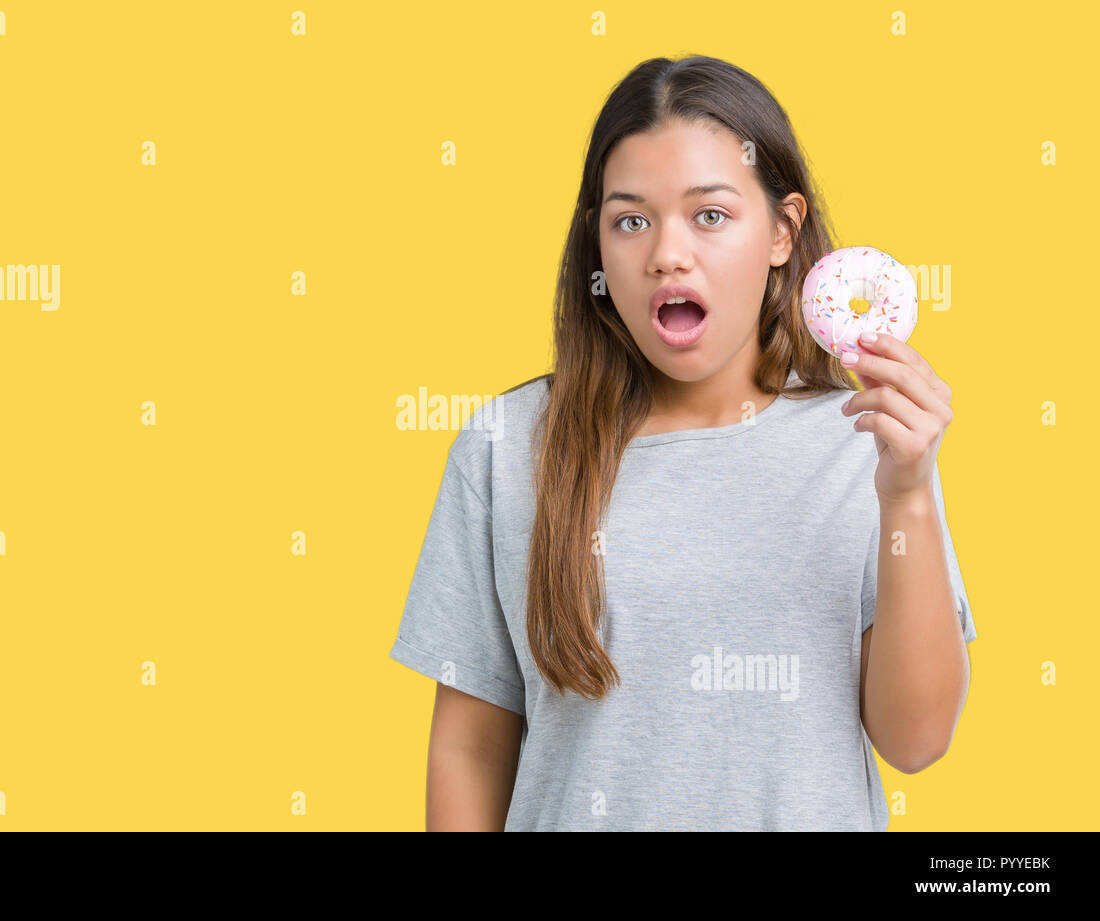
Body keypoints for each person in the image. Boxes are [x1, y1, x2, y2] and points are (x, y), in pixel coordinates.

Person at [388, 55, 976, 831]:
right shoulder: (506, 448)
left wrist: (907, 494)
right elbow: (469, 749)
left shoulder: (867, 440)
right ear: (597, 245)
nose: (667, 252)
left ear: (782, 231)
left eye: (710, 215)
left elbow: (918, 739)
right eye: (631, 219)